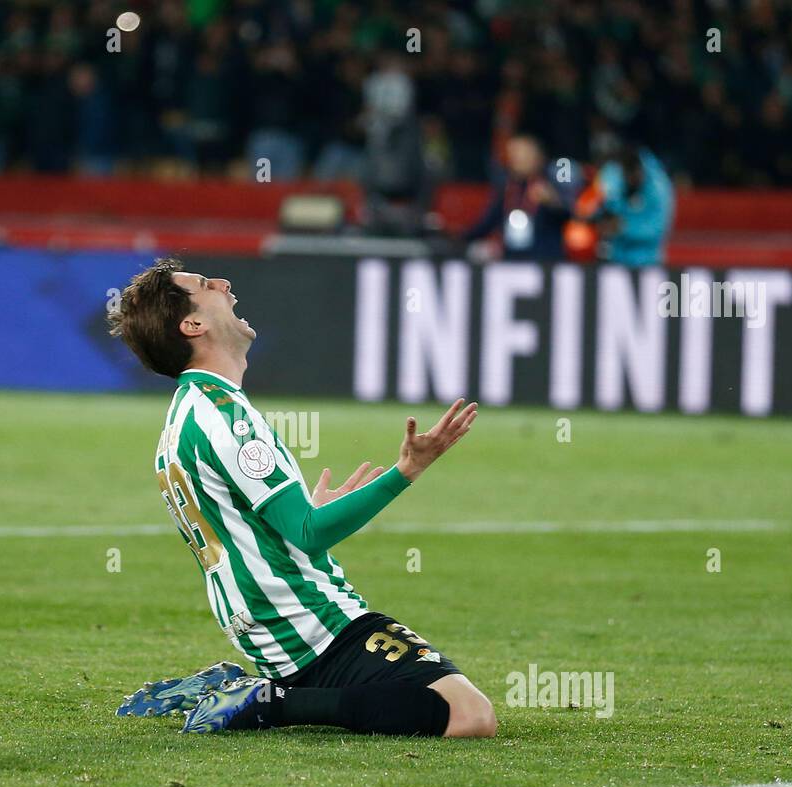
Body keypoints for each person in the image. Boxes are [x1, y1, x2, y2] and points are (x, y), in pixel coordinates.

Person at [104, 257, 497, 738]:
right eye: (206, 285)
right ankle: (269, 700)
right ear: (193, 324)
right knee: (470, 715)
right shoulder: (226, 416)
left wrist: (307, 515)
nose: (224, 283)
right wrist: (406, 470)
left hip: (268, 628)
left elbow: (259, 530)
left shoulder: (185, 416)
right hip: (311, 625)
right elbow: (308, 534)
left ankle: (254, 688)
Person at [461, 134, 569, 260]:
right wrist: (459, 238)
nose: (516, 159)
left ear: (537, 157)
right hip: (511, 260)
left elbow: (571, 215)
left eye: (522, 154)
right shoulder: (507, 188)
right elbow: (487, 223)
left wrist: (553, 202)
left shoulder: (555, 181)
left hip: (545, 260)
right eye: (513, 154)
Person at [593, 145, 674, 267]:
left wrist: (623, 228)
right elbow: (595, 208)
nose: (630, 181)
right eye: (626, 177)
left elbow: (658, 229)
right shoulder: (611, 176)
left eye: (634, 177)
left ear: (640, 171)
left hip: (648, 261)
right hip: (615, 259)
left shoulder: (660, 188)